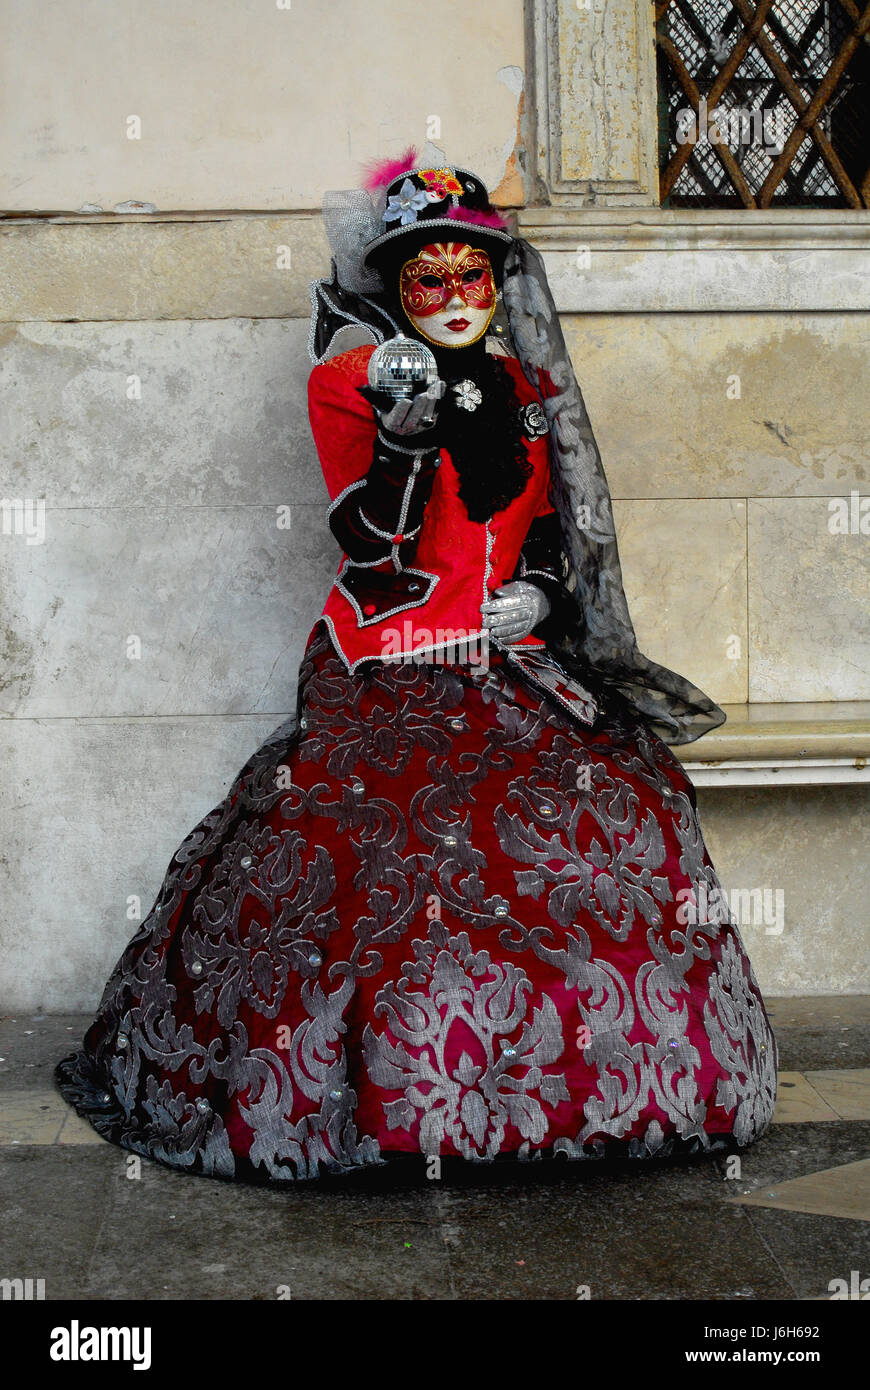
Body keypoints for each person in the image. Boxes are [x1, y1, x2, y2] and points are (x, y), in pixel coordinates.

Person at [55, 153, 777, 1182]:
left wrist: (538, 598)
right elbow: (371, 545)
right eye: (424, 279)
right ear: (393, 289)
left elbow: (548, 538)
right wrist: (403, 432)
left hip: (509, 664)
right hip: (386, 663)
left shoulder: (528, 393)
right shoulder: (351, 380)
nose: (450, 297)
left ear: (498, 280)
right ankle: (404, 1104)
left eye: (470, 276)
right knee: (403, 847)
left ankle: (566, 1096)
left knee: (627, 817)